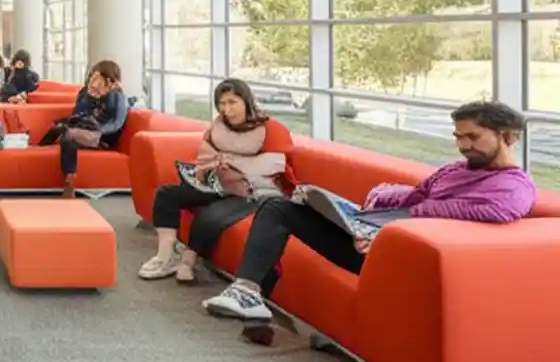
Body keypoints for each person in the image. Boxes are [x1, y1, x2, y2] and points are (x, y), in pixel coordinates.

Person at [203, 100, 537, 330]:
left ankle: (251, 289)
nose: (463, 146)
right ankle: (247, 291)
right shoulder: (455, 170)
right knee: (278, 206)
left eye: (472, 137)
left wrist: (390, 230)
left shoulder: (513, 186)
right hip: (376, 234)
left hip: (395, 251)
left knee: (276, 208)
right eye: (458, 137)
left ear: (507, 136)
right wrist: (366, 207)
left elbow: (491, 213)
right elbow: (416, 194)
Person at [138, 79, 294, 284]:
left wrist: (233, 165)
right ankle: (166, 255)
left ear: (246, 101)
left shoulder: (271, 128)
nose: (227, 109)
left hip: (252, 190)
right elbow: (205, 155)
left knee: (210, 215)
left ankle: (189, 259)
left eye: (232, 102)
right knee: (167, 194)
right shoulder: (218, 126)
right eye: (222, 103)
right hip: (217, 183)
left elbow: (273, 165)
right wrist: (208, 168)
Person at [38, 61, 128, 198]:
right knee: (59, 128)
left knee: (69, 136)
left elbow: (116, 123)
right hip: (84, 129)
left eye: (99, 78)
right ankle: (38, 149)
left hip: (101, 137)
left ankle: (70, 180)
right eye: (93, 76)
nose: (95, 81)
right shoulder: (85, 93)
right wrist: (90, 97)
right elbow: (77, 114)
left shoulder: (117, 96)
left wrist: (97, 131)